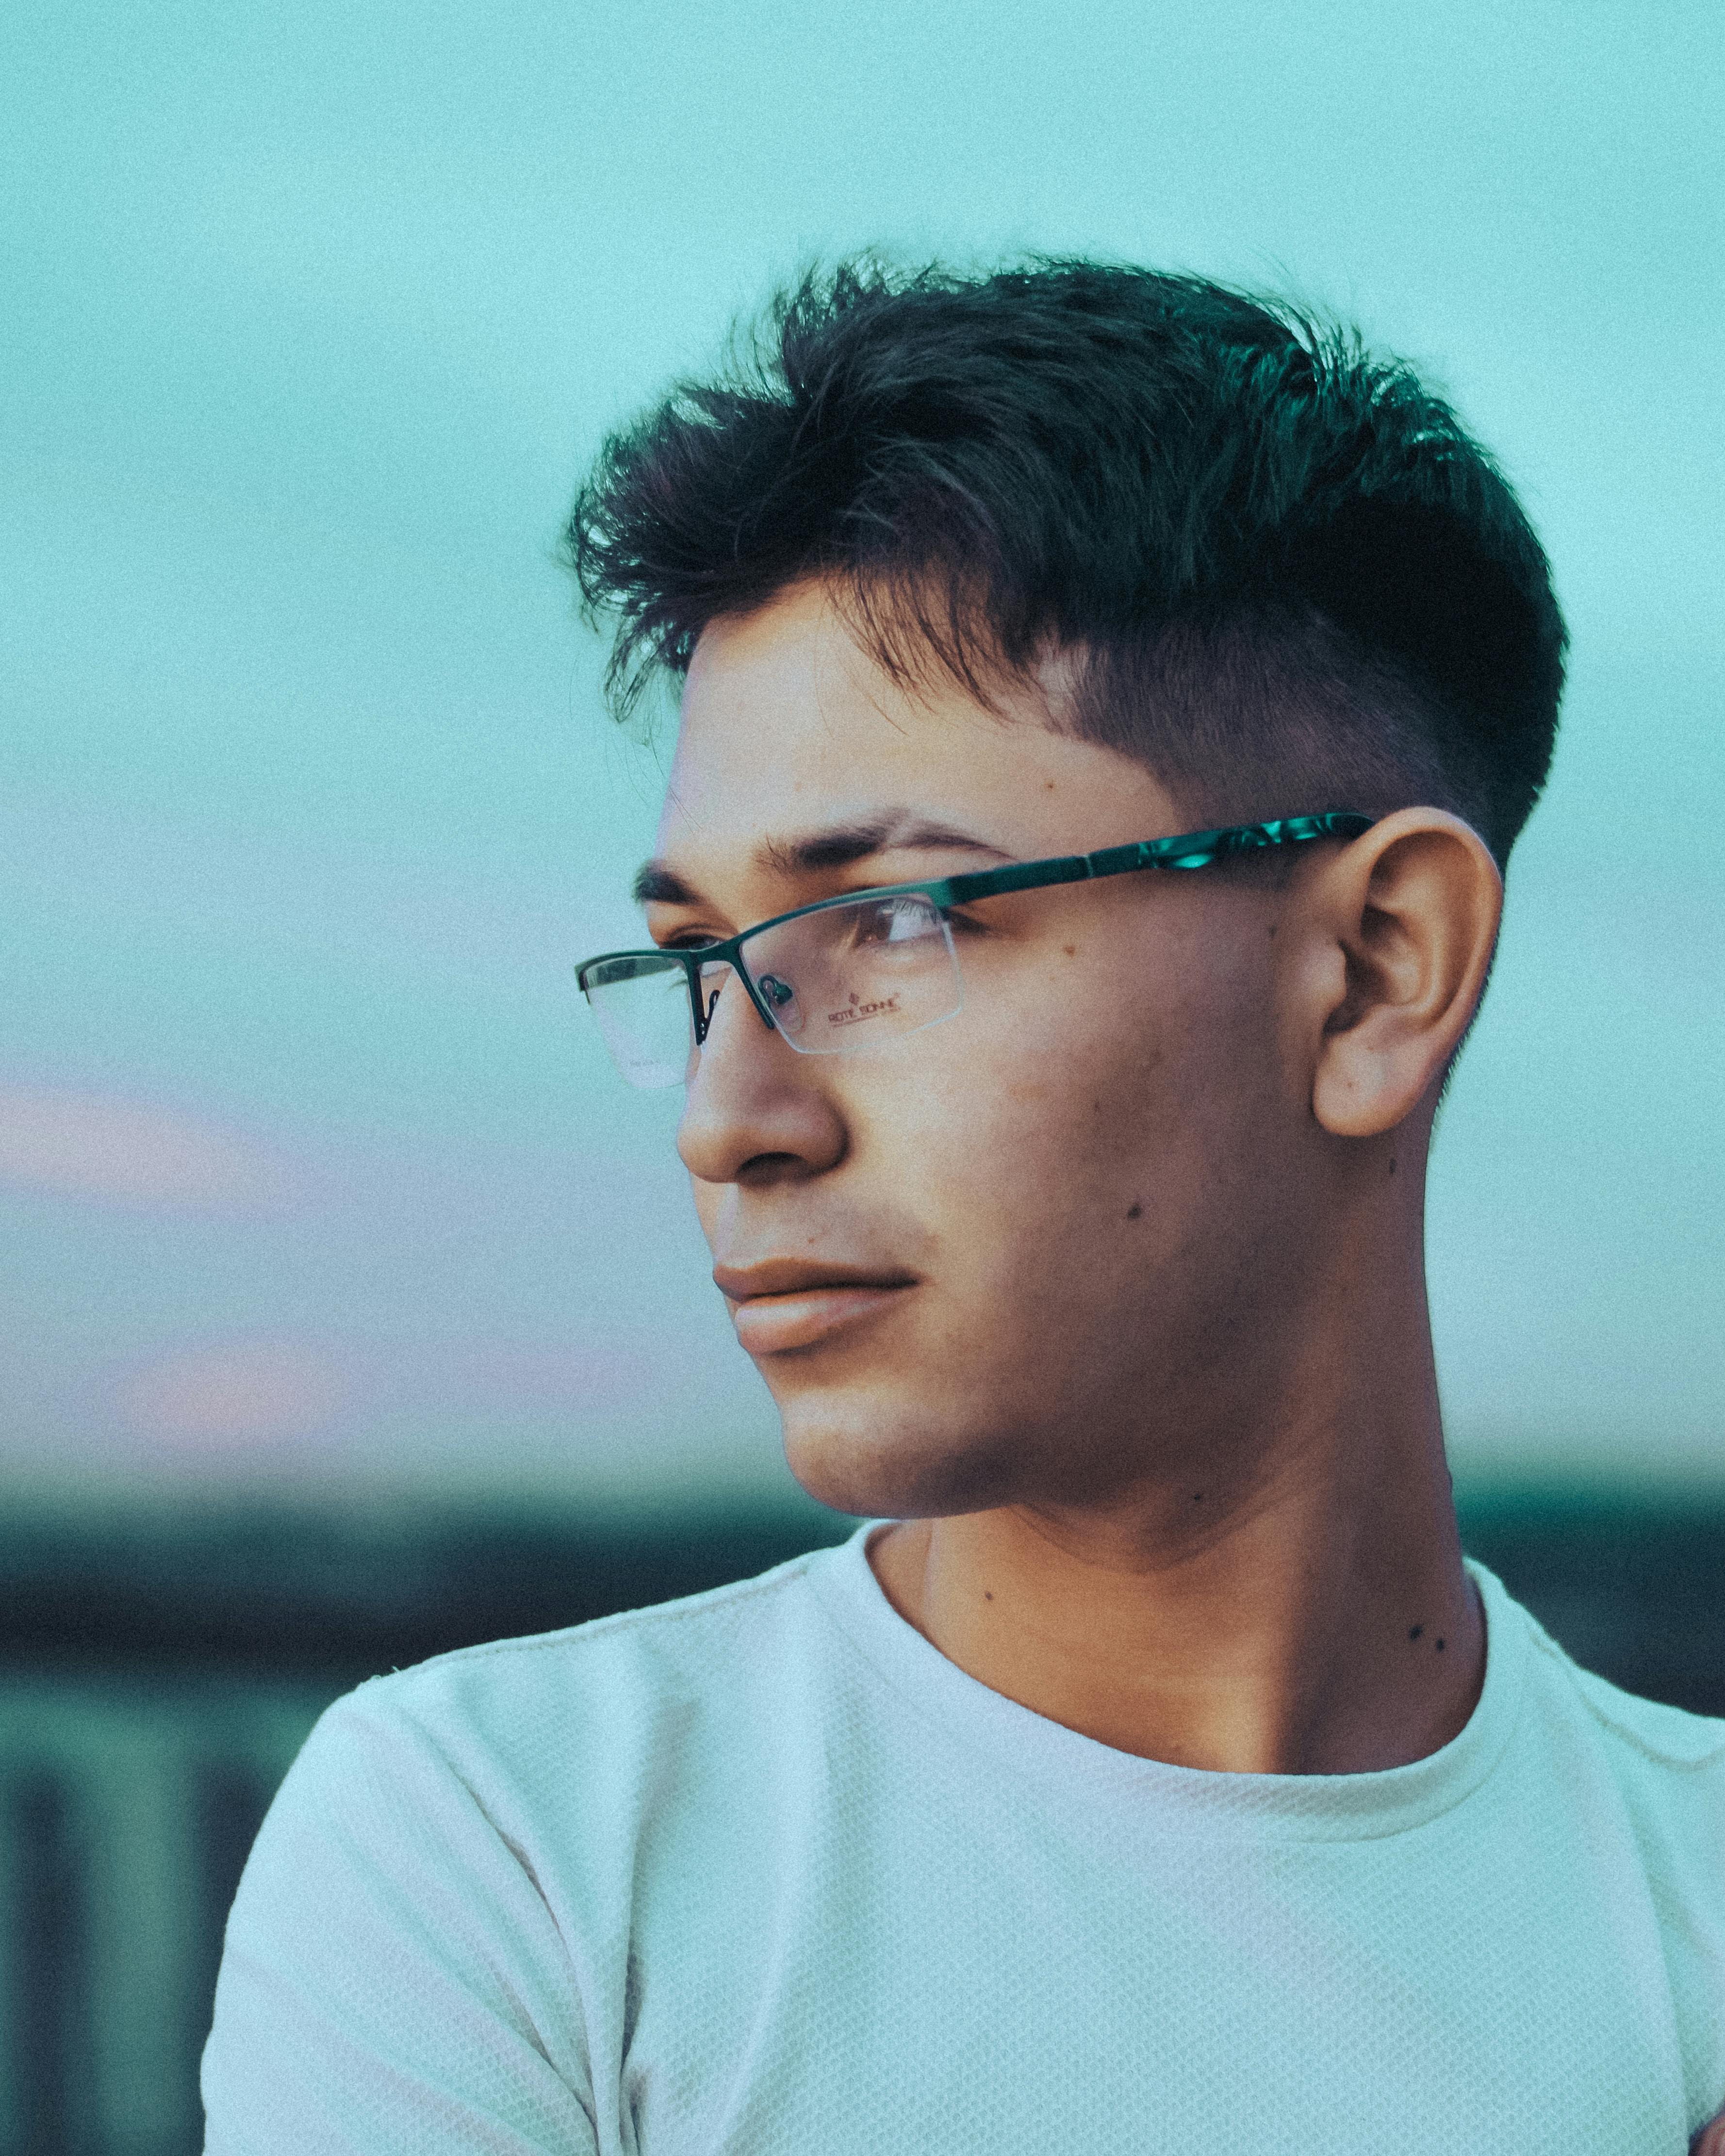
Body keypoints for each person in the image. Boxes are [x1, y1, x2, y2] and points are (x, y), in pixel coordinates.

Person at [201, 259, 1725, 2154]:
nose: (727, 1119)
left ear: (1371, 975)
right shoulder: (518, 1858)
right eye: (698, 958)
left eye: (895, 920)